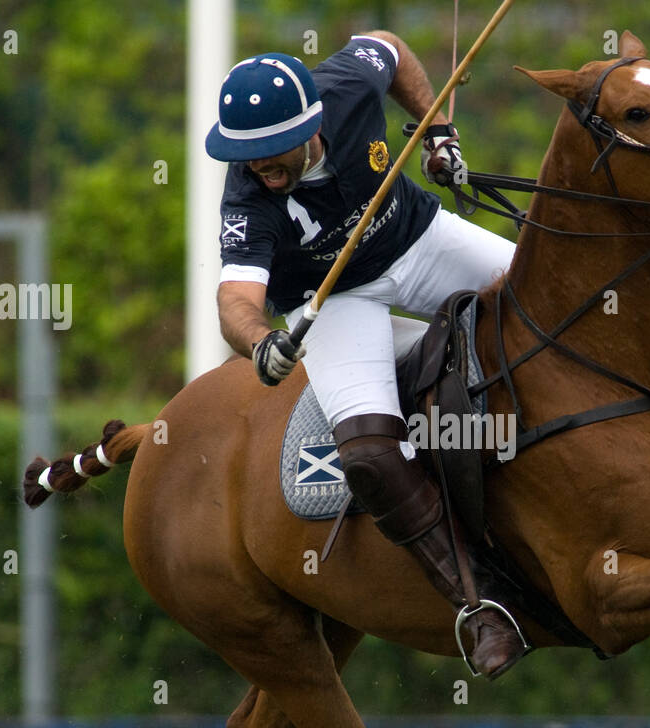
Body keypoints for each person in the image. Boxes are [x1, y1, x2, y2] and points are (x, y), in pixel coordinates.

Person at [206, 32, 526, 678]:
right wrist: (260, 342)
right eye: (244, 156)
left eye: (270, 153)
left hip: (417, 241)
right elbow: (236, 300)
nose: (258, 168)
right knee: (371, 456)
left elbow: (391, 46)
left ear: (309, 129)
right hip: (332, 304)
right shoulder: (248, 199)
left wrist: (437, 131)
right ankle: (478, 606)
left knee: (545, 308)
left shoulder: (346, 87)